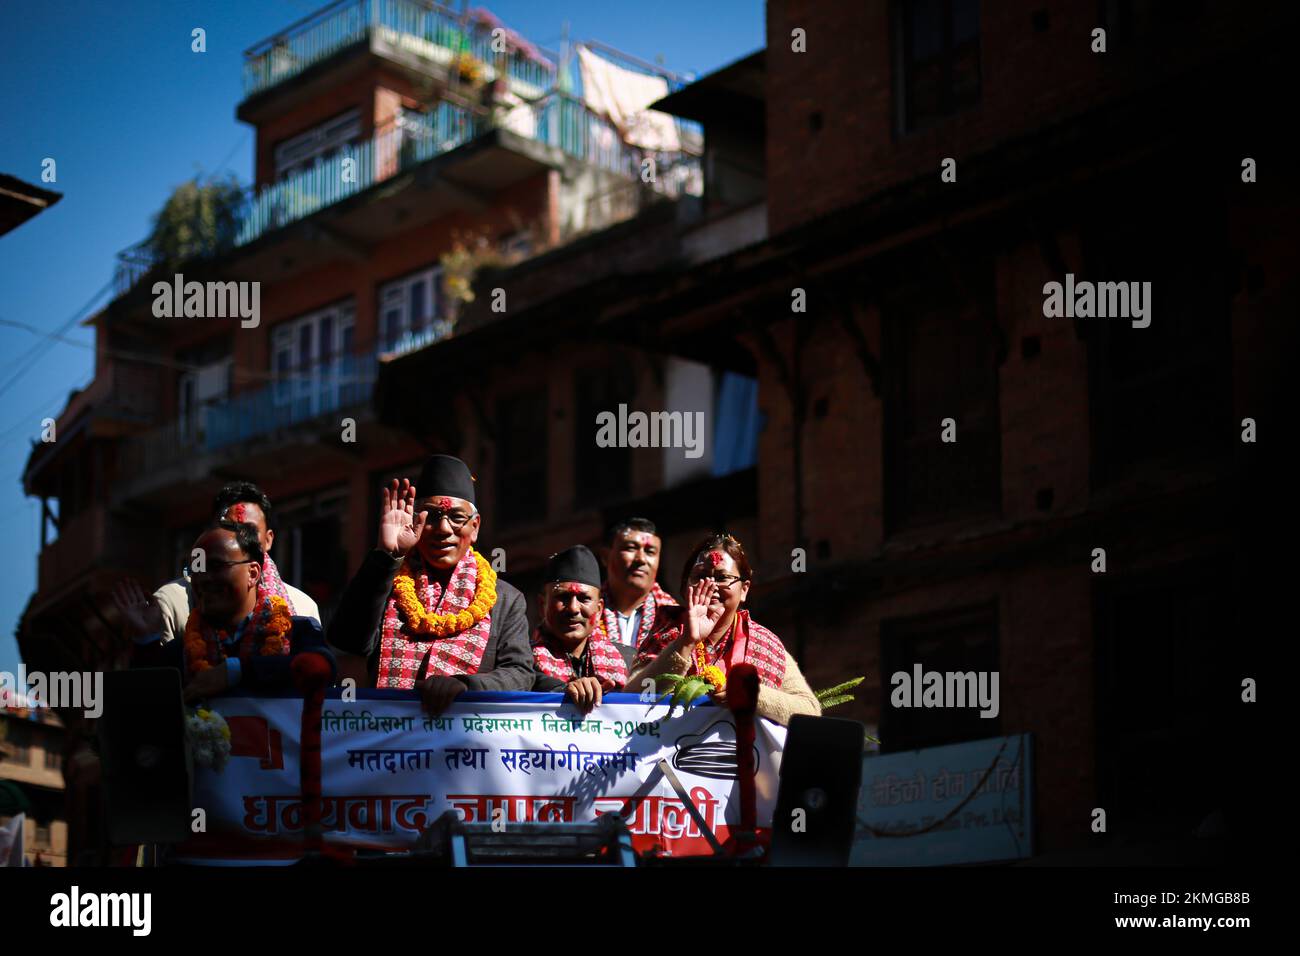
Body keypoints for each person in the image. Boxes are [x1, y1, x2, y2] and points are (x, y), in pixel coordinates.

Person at [327, 455, 533, 713]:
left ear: (476, 526)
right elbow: (346, 640)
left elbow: (521, 673)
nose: (444, 529)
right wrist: (387, 555)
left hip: (468, 742)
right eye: (432, 516)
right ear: (415, 522)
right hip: (391, 740)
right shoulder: (387, 580)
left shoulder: (505, 598)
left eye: (457, 517)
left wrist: (465, 687)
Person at [112, 522, 336, 703]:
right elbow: (143, 705)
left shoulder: (298, 632)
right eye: (196, 568)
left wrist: (235, 672)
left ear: (253, 573)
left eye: (217, 566)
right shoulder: (181, 652)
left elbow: (321, 669)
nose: (203, 579)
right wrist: (146, 639)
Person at [626, 532, 820, 727]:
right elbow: (627, 702)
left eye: (722, 577)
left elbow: (810, 711)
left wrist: (751, 694)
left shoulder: (765, 644)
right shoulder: (664, 633)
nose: (710, 585)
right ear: (685, 588)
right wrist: (685, 643)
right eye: (700, 576)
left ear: (744, 590)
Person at [153, 482, 319, 644]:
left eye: (249, 530)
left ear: (268, 540)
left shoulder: (302, 608)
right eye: (227, 528)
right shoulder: (173, 603)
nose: (237, 538)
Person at [530, 546, 634, 711]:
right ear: (542, 605)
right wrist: (564, 691)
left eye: (584, 599)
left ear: (599, 609)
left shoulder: (630, 660)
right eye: (563, 597)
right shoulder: (520, 661)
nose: (573, 608)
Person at [597, 518, 677, 650]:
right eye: (630, 548)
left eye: (650, 551)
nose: (641, 559)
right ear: (605, 556)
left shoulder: (673, 618)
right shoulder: (584, 611)